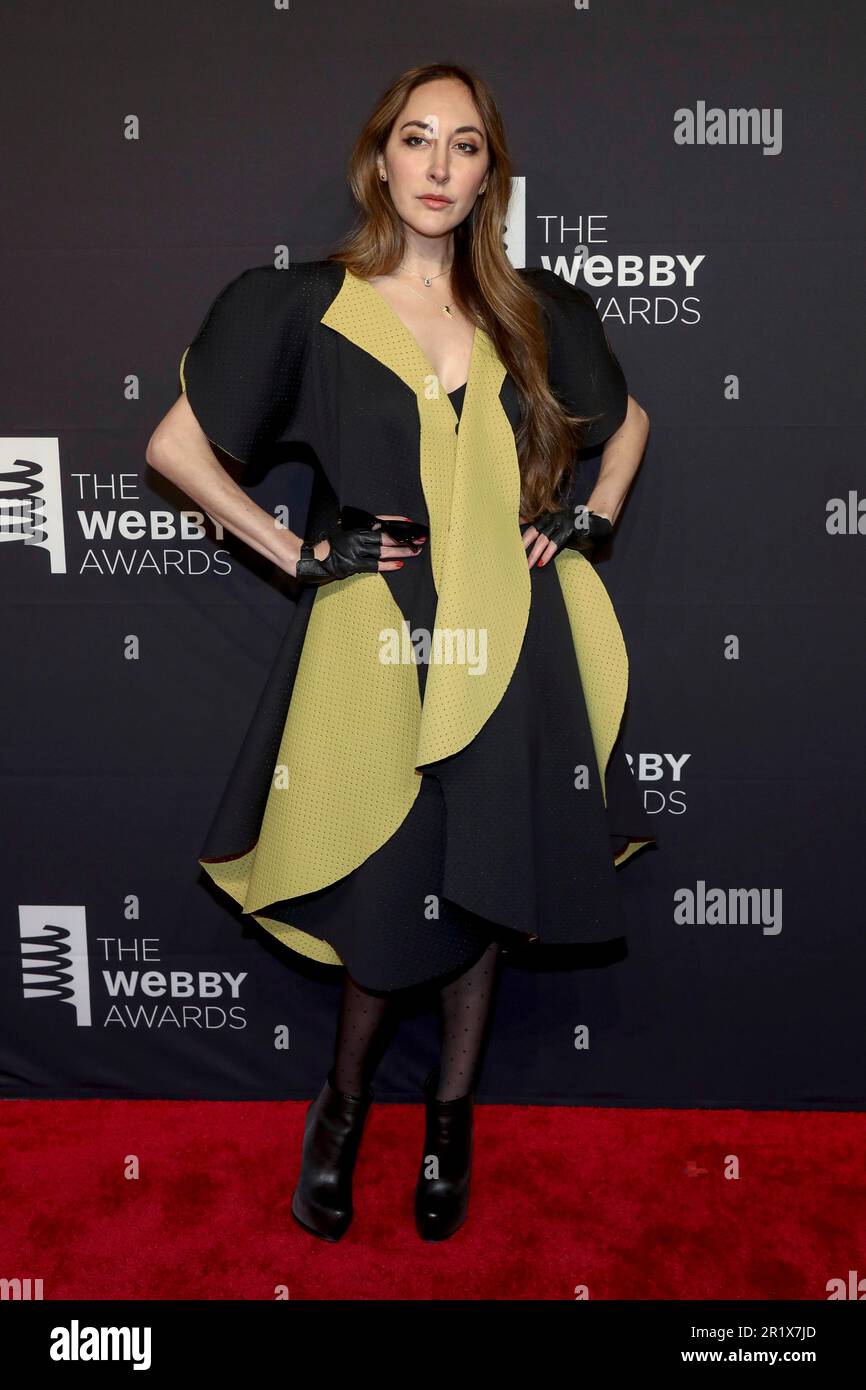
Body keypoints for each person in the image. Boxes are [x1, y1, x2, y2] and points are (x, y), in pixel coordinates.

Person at [146, 61, 656, 1244]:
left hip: (510, 632)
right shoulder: (308, 304)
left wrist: (591, 516)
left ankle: (450, 1122)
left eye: (463, 145)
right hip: (381, 637)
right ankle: (341, 1110)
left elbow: (624, 423)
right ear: (381, 160)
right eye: (415, 140)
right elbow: (177, 443)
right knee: (391, 887)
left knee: (484, 882)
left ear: (488, 172)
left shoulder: (529, 309)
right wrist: (292, 549)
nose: (437, 166)